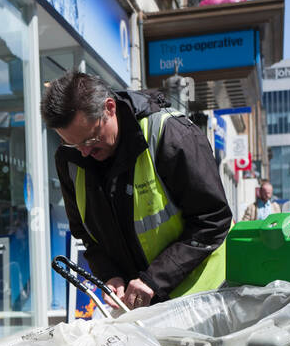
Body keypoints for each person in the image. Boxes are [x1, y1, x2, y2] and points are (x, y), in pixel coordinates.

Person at [40, 71, 230, 309]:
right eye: (72, 143)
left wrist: (154, 279)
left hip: (201, 298)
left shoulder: (170, 134)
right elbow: (87, 235)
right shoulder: (70, 158)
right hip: (142, 307)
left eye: (90, 140)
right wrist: (110, 275)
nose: (84, 152)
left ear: (109, 108)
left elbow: (213, 220)